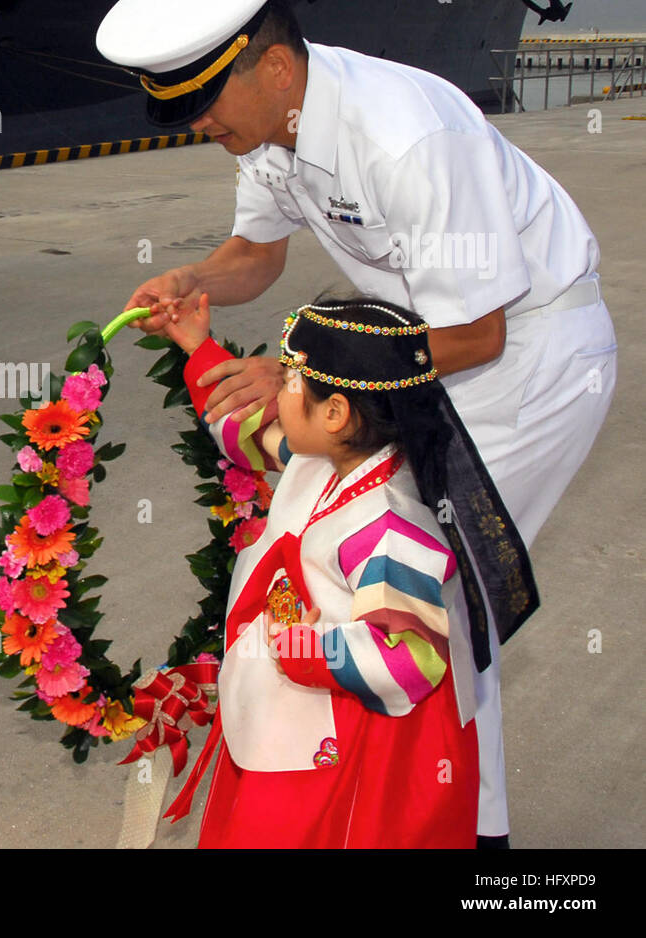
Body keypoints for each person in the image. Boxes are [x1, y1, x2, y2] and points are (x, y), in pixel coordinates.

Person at [97, 0, 617, 846]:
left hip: (525, 361)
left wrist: (312, 372)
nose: (197, 126)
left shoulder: (406, 137)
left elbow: (477, 332)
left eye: (206, 105)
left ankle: (457, 829)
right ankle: (399, 810)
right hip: (409, 352)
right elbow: (257, 254)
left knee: (431, 598)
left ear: (275, 64)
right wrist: (196, 282)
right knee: (398, 591)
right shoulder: (270, 128)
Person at [153, 290, 537, 847]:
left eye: (289, 381)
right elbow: (248, 429)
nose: (275, 389)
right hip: (305, 723)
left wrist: (298, 650)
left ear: (335, 413)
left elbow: (410, 657)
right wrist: (196, 344)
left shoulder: (389, 529)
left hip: (354, 752)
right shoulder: (328, 460)